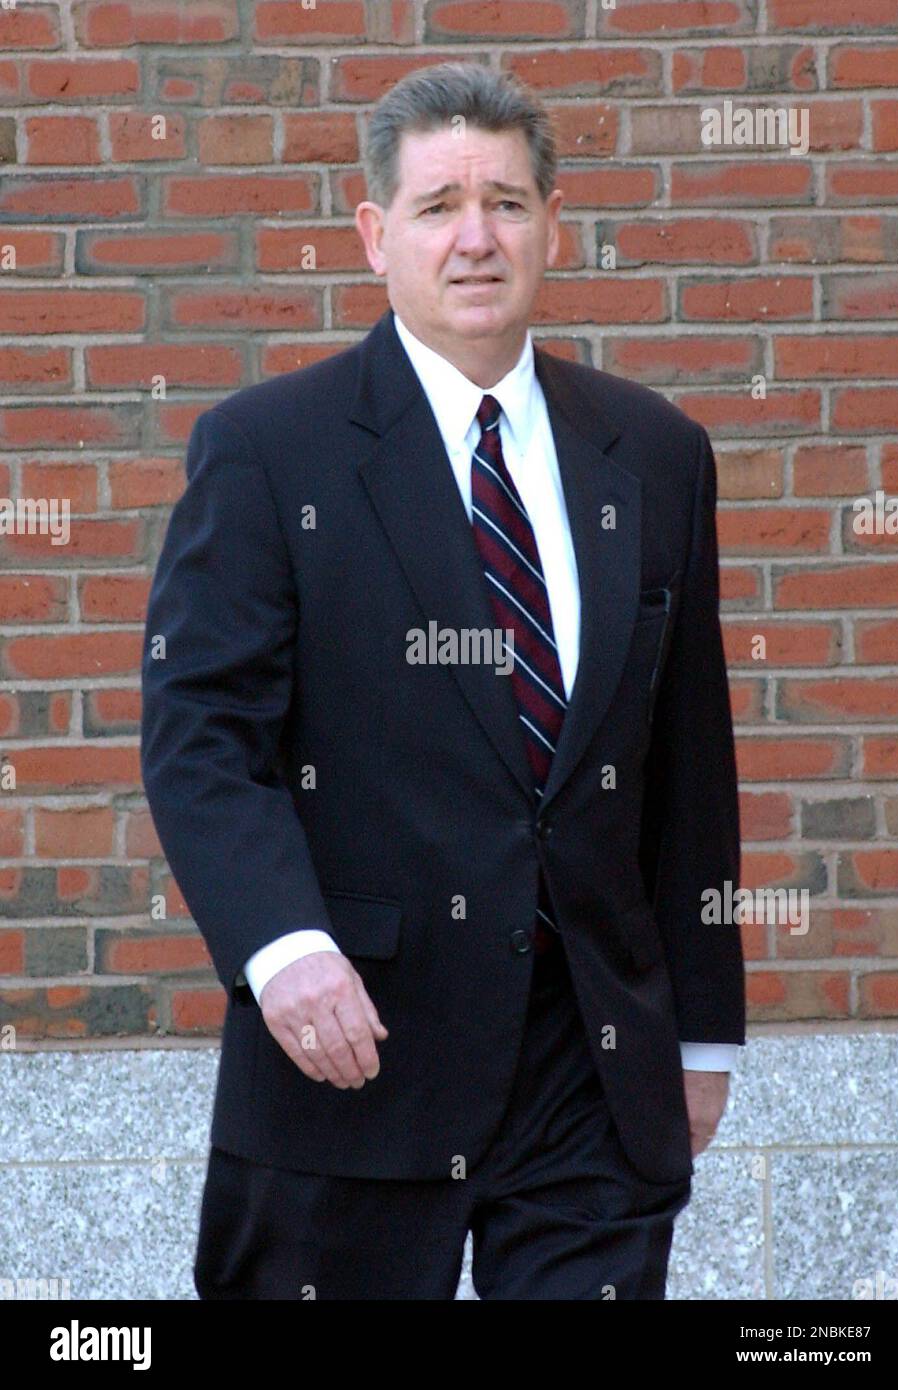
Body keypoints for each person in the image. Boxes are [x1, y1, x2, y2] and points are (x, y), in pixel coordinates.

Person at [140, 60, 746, 1301]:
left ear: (553, 225)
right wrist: (281, 945)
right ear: (377, 235)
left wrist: (702, 1030)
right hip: (351, 1050)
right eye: (438, 208)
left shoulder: (658, 454)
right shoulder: (267, 451)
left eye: (508, 204)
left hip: (588, 1065)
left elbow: (690, 762)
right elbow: (203, 731)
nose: (477, 238)